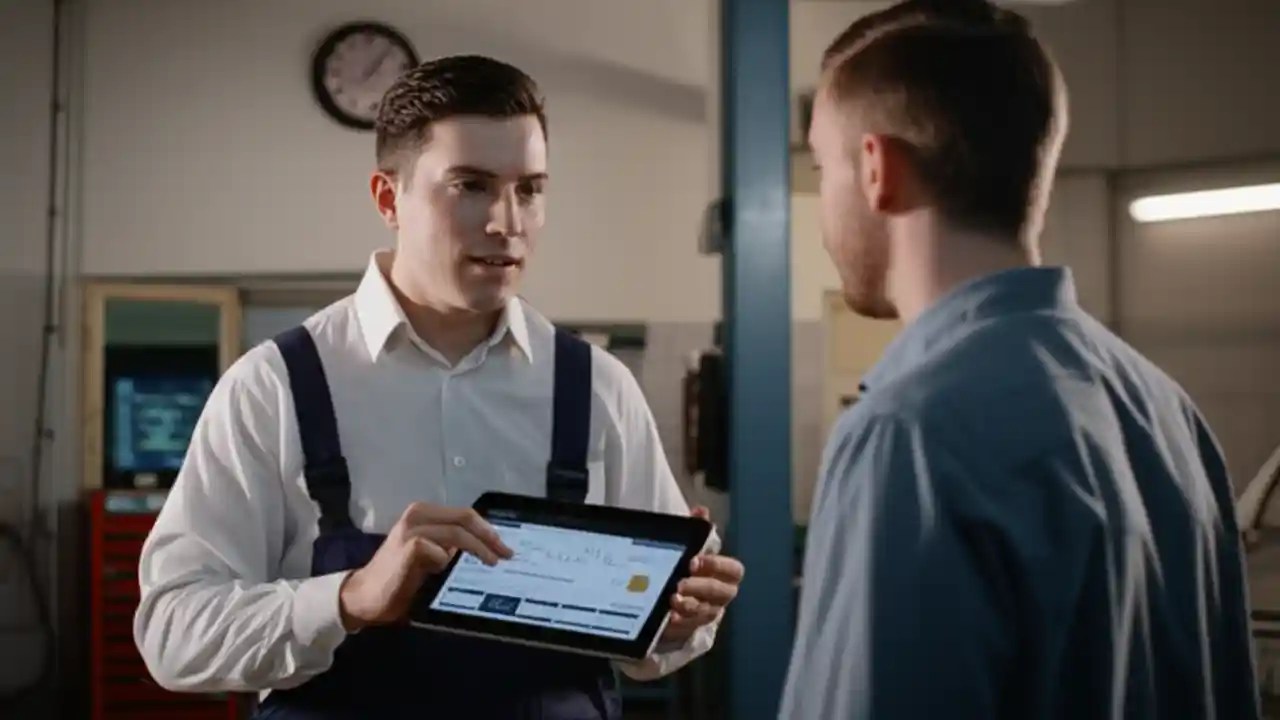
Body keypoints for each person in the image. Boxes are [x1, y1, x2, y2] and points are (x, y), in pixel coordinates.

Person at [133, 55, 744, 720]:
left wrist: (679, 616)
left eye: (531, 189)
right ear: (388, 197)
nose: (507, 221)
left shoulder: (598, 389)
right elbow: (173, 632)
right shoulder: (273, 388)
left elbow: (656, 639)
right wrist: (348, 599)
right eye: (471, 185)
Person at [780, 1, 1260, 718]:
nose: (823, 210)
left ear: (877, 168)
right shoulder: (1167, 412)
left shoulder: (906, 434)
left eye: (824, 168)